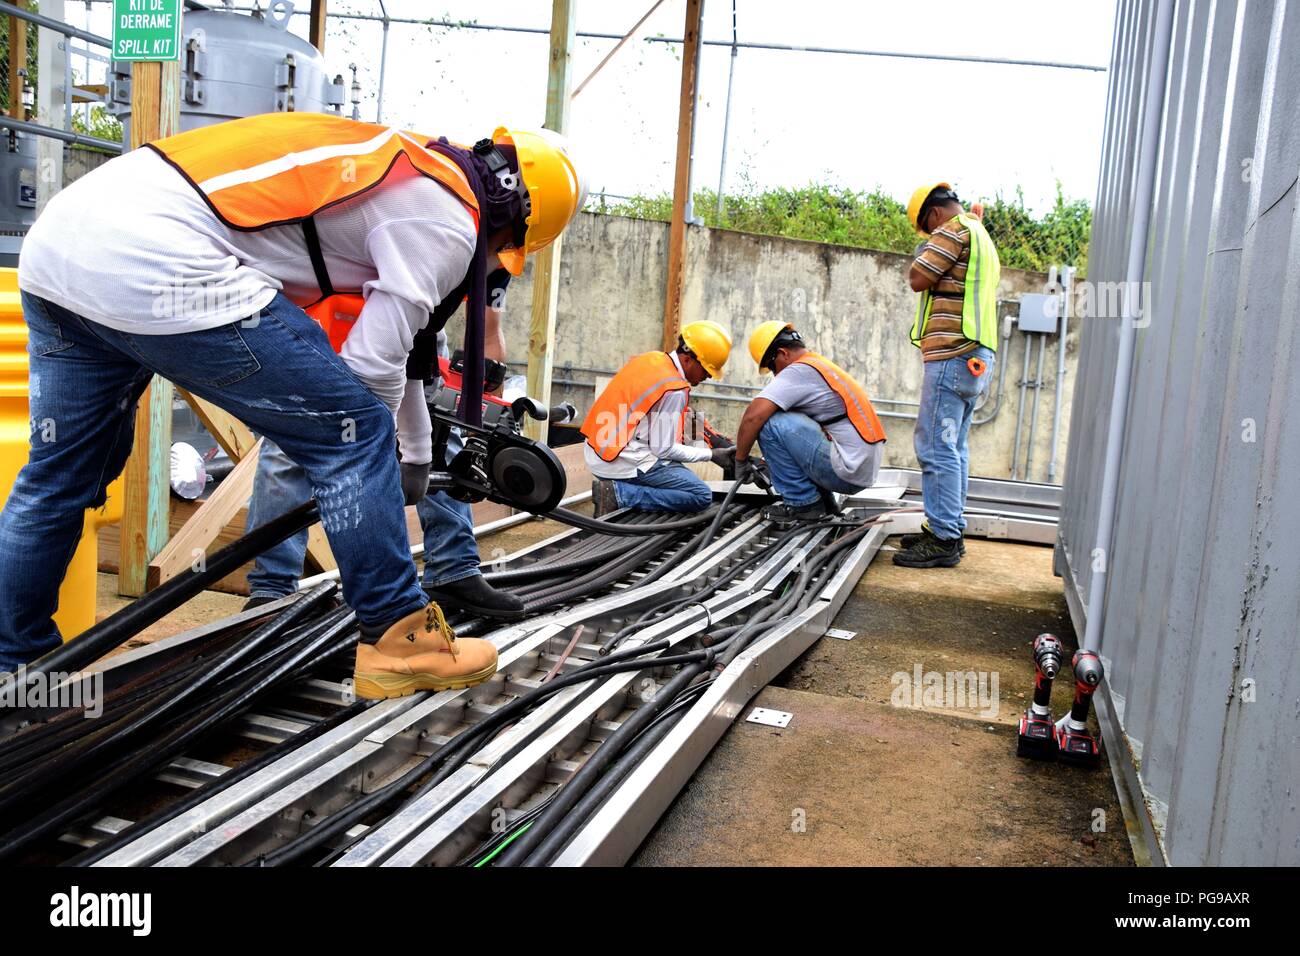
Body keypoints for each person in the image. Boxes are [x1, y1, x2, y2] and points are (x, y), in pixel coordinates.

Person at [0, 112, 586, 700]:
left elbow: (407, 351)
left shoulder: (415, 167)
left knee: (57, 480)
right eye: (509, 250)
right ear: (516, 219)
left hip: (59, 251)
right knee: (351, 432)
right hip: (161, 259)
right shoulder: (449, 220)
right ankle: (397, 639)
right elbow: (372, 370)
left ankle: (16, 668)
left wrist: (415, 452)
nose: (496, 262)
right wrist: (378, 457)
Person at [243, 269, 526, 620]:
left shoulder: (502, 247)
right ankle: (272, 591)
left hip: (415, 327)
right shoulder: (446, 227)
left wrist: (482, 397)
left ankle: (455, 567)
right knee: (289, 450)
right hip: (325, 314)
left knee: (440, 430)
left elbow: (486, 330)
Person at [893, 182, 1001, 568]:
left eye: (927, 229)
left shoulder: (952, 231)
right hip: (976, 354)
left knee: (936, 446)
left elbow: (918, 278)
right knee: (953, 447)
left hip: (954, 353)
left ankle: (943, 538)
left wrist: (927, 246)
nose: (929, 237)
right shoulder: (979, 233)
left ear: (934, 215)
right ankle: (949, 528)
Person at [733, 322, 885, 523]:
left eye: (772, 365)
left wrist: (740, 460)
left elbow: (753, 416)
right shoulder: (817, 364)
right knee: (792, 418)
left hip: (848, 469)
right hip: (859, 467)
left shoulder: (799, 370)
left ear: (782, 353)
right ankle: (823, 502)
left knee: (770, 424)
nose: (774, 373)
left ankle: (802, 504)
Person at [581, 321, 733, 514]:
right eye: (706, 370)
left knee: (676, 470)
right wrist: (711, 455)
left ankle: (622, 490)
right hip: (621, 461)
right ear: (688, 359)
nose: (708, 377)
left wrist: (711, 441)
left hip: (598, 450)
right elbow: (664, 449)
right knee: (700, 495)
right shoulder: (675, 389)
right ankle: (619, 494)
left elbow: (669, 421)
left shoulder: (651, 360)